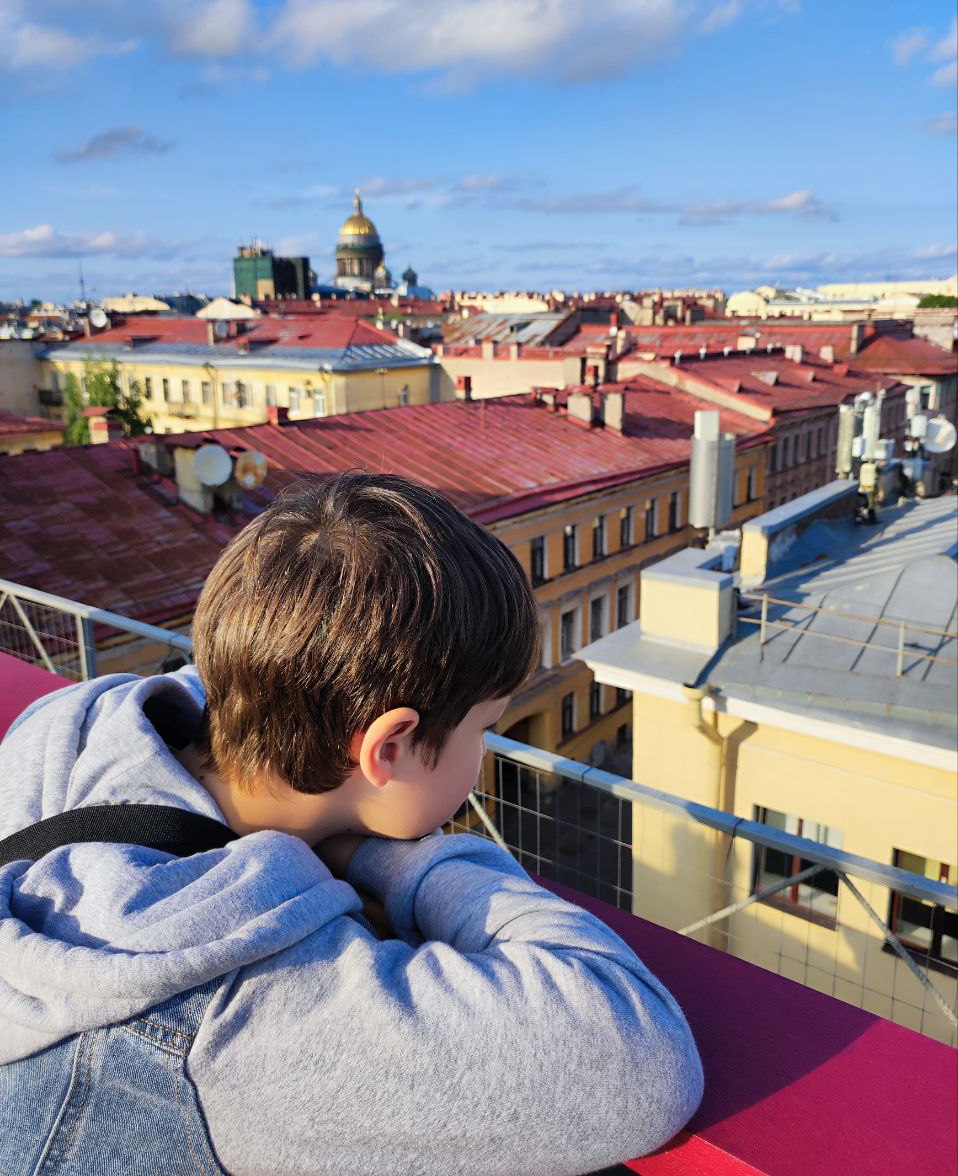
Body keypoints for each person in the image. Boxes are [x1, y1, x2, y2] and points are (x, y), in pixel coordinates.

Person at [0, 471, 703, 1176]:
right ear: (387, 750)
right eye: (485, 728)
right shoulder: (245, 1009)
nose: (485, 754)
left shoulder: (74, 734)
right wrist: (391, 854)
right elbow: (641, 1061)